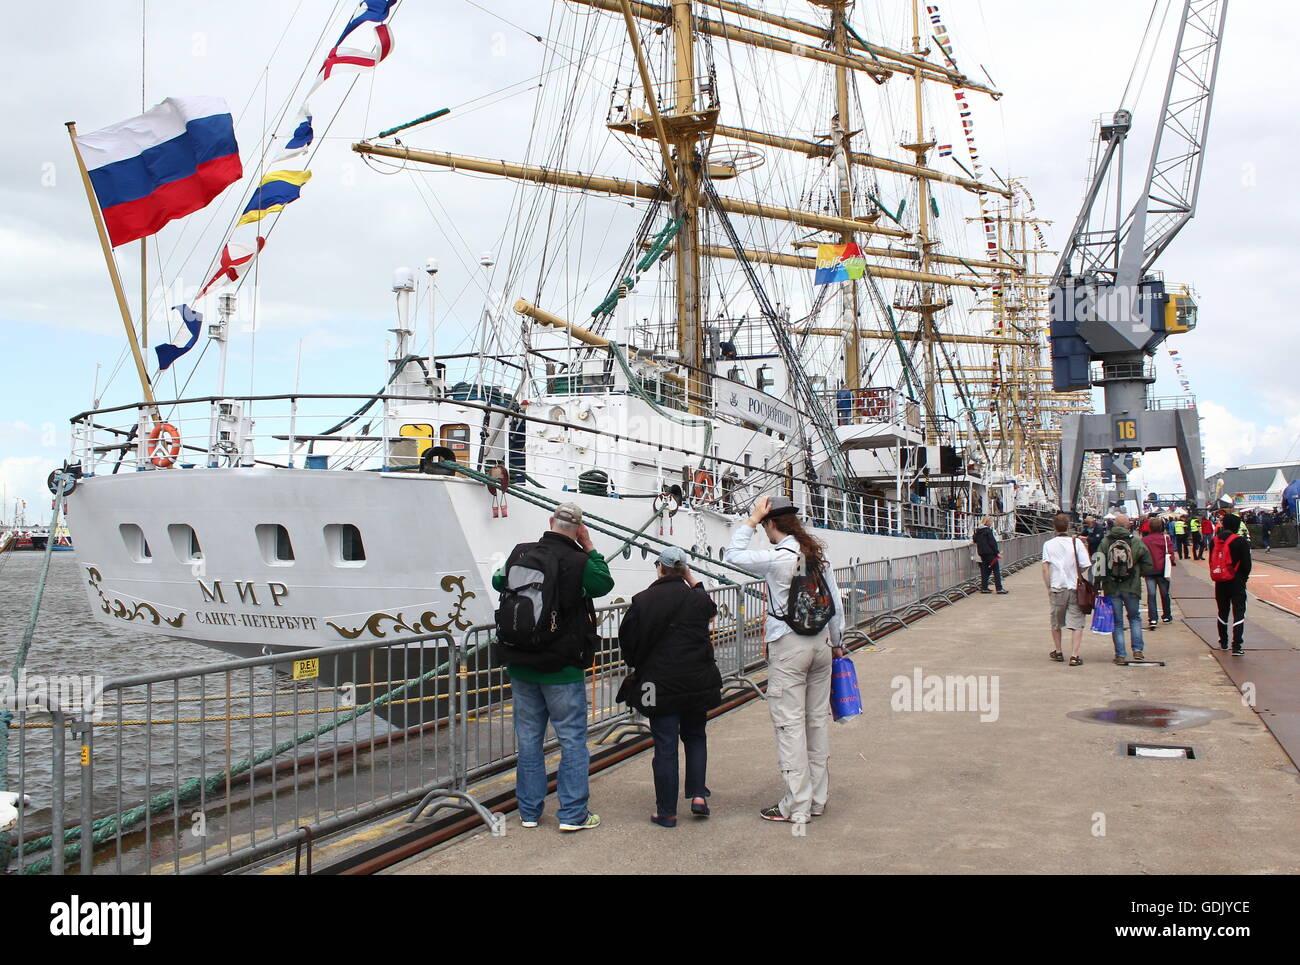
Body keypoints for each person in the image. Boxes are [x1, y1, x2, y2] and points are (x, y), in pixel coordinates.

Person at [724, 495, 844, 824]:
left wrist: (750, 520)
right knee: (816, 722)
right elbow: (834, 602)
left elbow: (732, 554)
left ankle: (796, 806)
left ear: (772, 523)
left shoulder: (778, 558)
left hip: (789, 646)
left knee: (790, 726)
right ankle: (817, 800)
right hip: (821, 644)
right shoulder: (816, 556)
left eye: (764, 525)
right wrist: (838, 642)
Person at [492, 502, 612, 832]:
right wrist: (589, 546)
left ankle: (529, 812)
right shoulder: (580, 561)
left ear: (550, 521)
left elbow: (498, 581)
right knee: (571, 740)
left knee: (529, 741)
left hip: (521, 664)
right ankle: (572, 814)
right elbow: (604, 583)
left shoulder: (521, 552)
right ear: (579, 528)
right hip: (562, 668)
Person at [618, 546, 722, 828]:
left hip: (657, 683)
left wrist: (639, 662)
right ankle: (698, 796)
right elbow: (710, 608)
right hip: (696, 682)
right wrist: (691, 578)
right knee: (696, 736)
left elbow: (628, 641)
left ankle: (666, 812)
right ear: (683, 570)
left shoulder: (642, 601)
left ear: (659, 567)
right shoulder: (697, 599)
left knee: (665, 745)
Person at [1098, 513, 1154, 664]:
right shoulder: (1135, 541)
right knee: (1134, 618)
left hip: (1111, 586)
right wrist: (1138, 573)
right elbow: (1148, 563)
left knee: (1117, 622)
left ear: (1114, 525)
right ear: (1128, 525)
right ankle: (1137, 650)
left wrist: (1099, 583)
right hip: (1131, 586)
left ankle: (1120, 654)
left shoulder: (1105, 541)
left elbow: (1098, 564)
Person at [1041, 513, 1092, 666]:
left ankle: (1058, 651)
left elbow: (1045, 567)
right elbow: (1085, 564)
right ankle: (1074, 655)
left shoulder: (1048, 544)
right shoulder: (1076, 543)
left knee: (1056, 622)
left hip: (1057, 587)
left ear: (1054, 527)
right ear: (1068, 526)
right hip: (1075, 587)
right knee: (1077, 623)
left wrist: (1048, 587)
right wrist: (1077, 572)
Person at [1210, 512, 1252, 655]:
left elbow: (1211, 561)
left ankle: (1223, 642)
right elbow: (1247, 564)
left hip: (1220, 581)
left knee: (1222, 611)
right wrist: (1244, 578)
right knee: (1238, 611)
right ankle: (1237, 646)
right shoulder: (1240, 541)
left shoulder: (1215, 541)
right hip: (1237, 580)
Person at [1141, 517, 1175, 630]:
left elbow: (1141, 554)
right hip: (1162, 570)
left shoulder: (1144, 540)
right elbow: (1171, 553)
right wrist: (1171, 563)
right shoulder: (1165, 539)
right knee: (1165, 593)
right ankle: (1167, 615)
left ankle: (1153, 618)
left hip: (1149, 570)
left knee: (1151, 595)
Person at [972, 516, 1007, 594]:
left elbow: (974, 539)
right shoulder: (988, 531)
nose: (991, 523)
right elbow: (992, 543)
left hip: (982, 553)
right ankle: (999, 588)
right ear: (987, 522)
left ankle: (984, 588)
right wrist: (997, 552)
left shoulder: (978, 531)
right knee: (996, 571)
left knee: (985, 571)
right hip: (990, 554)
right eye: (991, 521)